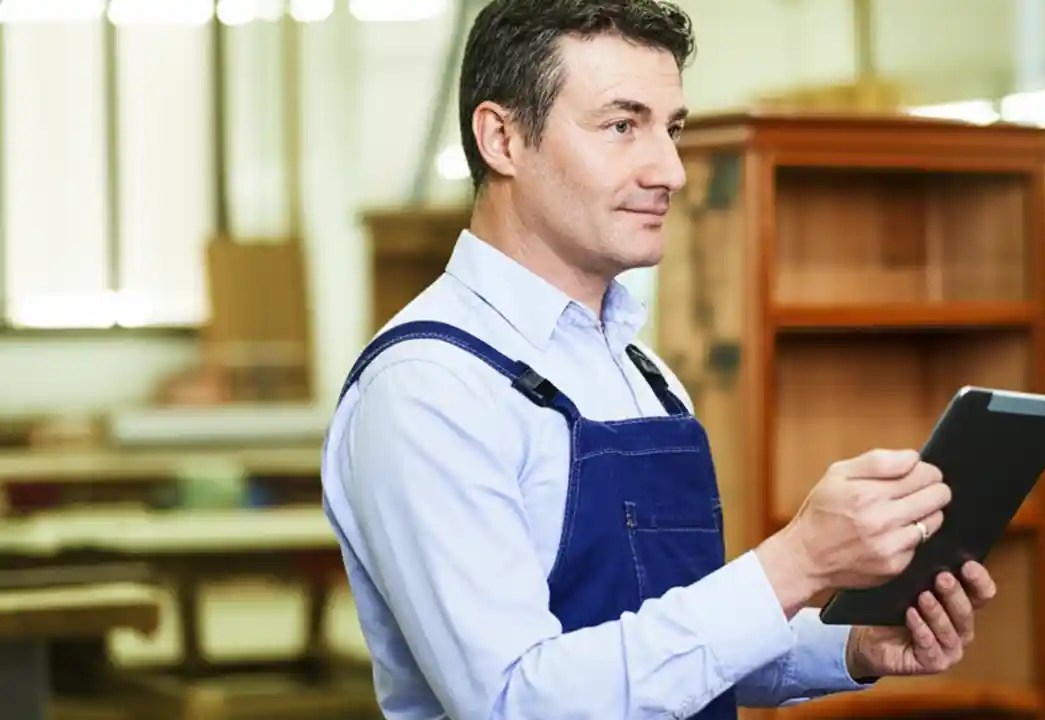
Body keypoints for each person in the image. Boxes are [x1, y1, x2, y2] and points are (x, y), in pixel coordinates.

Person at [320, 1, 998, 718]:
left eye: (671, 129)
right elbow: (516, 701)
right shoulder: (429, 388)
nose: (671, 170)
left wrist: (853, 643)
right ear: (502, 138)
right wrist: (796, 562)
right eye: (622, 126)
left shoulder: (646, 377)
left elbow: (670, 649)